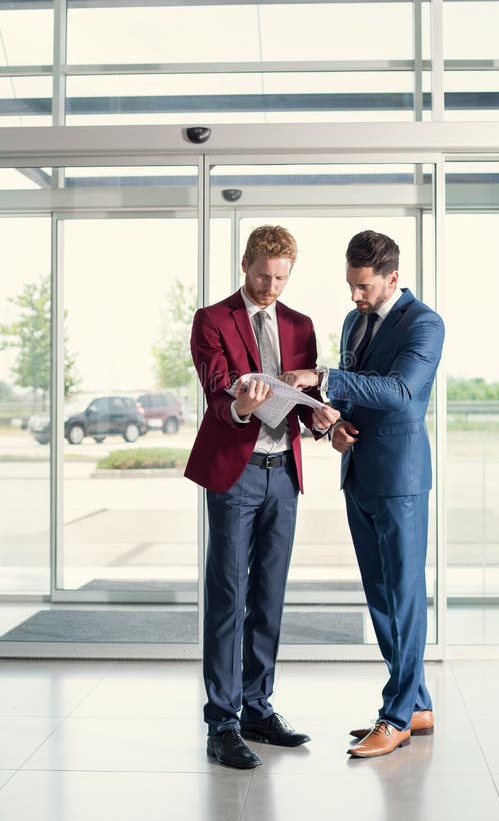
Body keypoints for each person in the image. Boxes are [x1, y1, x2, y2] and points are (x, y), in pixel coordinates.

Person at [284, 230, 444, 758]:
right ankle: (417, 705)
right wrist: (334, 426)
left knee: (404, 596)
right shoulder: (355, 321)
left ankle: (395, 718)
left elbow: (399, 393)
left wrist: (323, 376)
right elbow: (355, 394)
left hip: (400, 480)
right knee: (380, 597)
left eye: (365, 287)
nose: (355, 296)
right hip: (358, 472)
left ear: (392, 278)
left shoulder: (425, 324)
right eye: (350, 285)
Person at [184, 225, 339, 770]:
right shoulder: (212, 319)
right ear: (245, 264)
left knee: (269, 595)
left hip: (284, 474)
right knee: (229, 595)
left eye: (280, 278)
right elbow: (216, 389)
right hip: (236, 473)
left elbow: (302, 399)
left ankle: (256, 707)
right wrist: (242, 406)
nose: (270, 287)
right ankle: (222, 723)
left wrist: (319, 417)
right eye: (262, 275)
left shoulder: (300, 324)